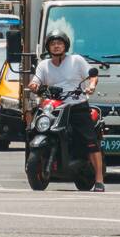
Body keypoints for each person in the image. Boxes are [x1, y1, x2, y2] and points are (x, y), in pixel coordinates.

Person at [26, 32, 104, 192]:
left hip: (76, 106)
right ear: (48, 47)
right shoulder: (44, 65)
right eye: (53, 43)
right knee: (32, 129)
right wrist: (34, 86)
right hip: (53, 106)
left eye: (59, 43)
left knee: (90, 141)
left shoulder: (76, 60)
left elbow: (92, 76)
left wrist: (91, 86)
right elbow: (35, 81)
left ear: (65, 46)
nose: (56, 46)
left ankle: (99, 180)